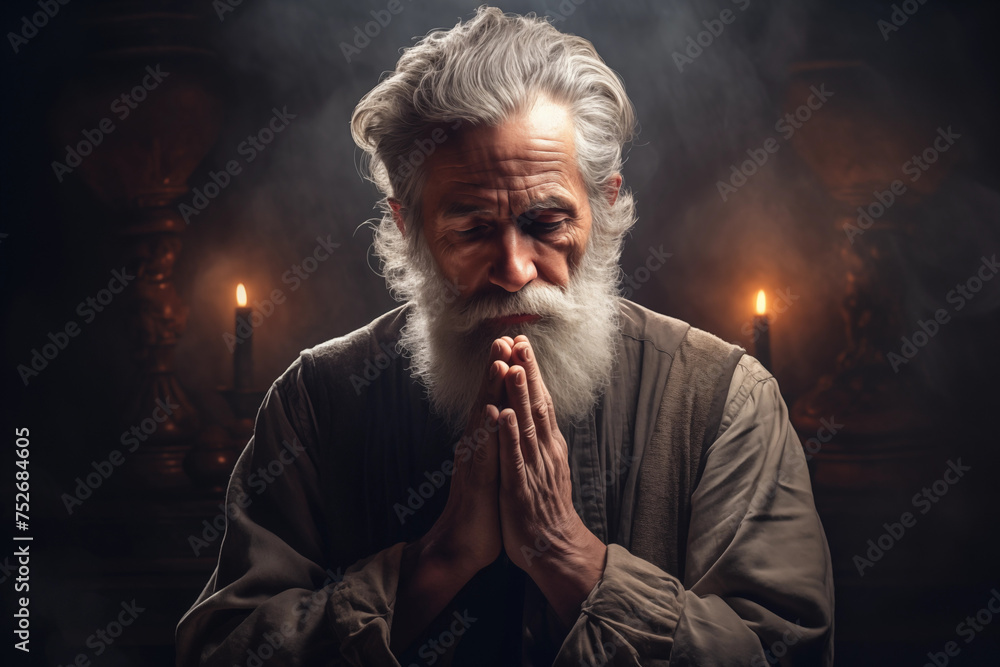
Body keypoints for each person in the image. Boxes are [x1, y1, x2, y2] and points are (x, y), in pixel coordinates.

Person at [176, 7, 834, 665]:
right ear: (409, 229)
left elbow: (785, 653)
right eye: (471, 230)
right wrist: (438, 561)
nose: (515, 270)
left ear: (602, 207)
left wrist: (566, 554)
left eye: (546, 223)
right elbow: (221, 654)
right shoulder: (315, 403)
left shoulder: (725, 401)